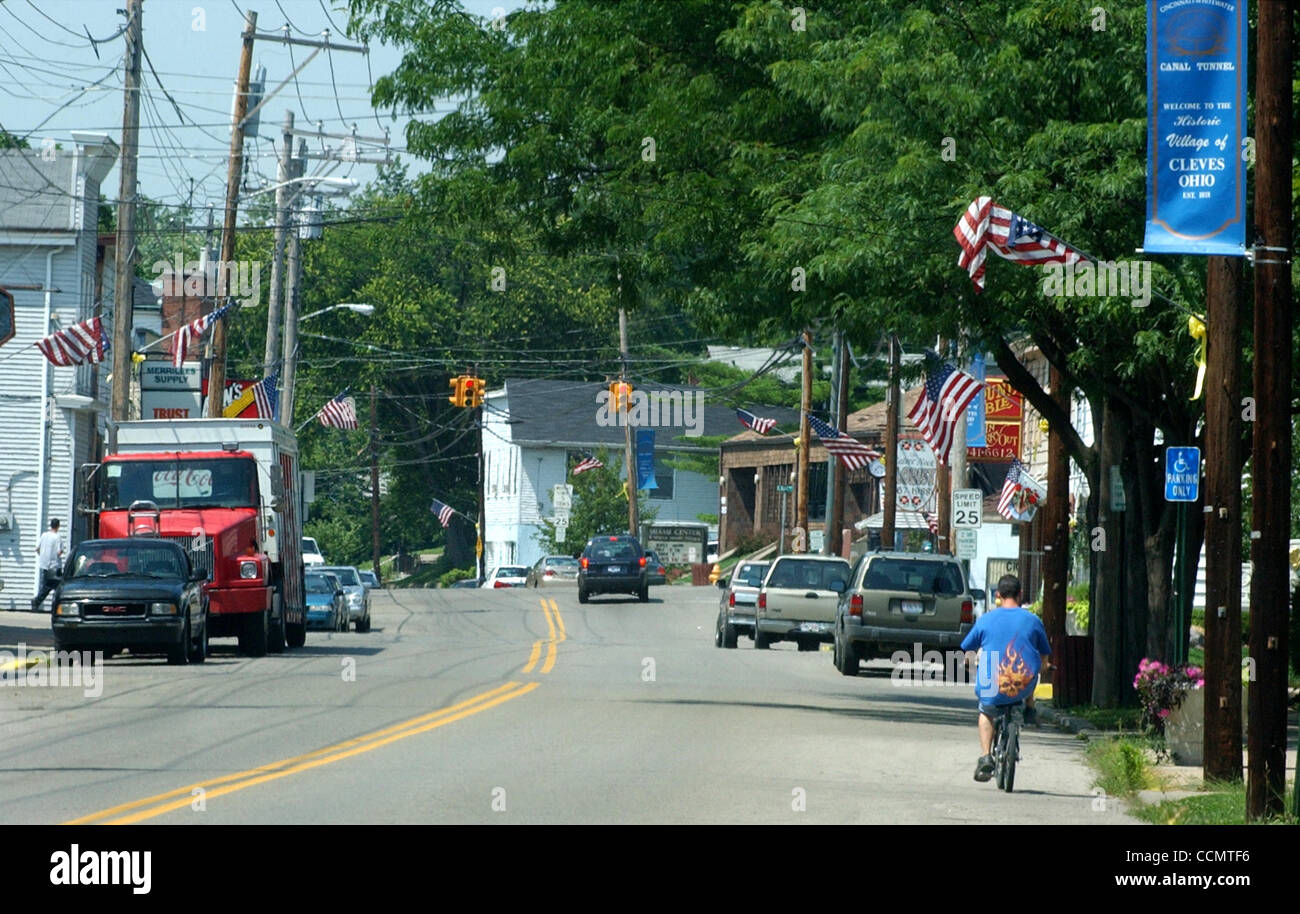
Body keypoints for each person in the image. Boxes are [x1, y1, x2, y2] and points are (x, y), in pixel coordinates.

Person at [960, 573, 1051, 783]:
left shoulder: (986, 619)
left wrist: (967, 662)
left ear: (998, 595)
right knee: (1032, 669)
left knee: (986, 710)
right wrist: (1044, 666)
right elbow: (1044, 652)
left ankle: (985, 756)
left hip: (993, 684)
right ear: (1020, 594)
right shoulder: (1033, 620)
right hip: (1023, 683)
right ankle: (1029, 708)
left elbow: (968, 649)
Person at [31, 518, 65, 612]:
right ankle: (57, 607)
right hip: (54, 565)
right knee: (58, 587)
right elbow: (59, 552)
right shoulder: (57, 537)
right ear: (58, 526)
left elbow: (37, 549)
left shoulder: (44, 535)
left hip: (44, 564)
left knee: (47, 586)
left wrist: (43, 556)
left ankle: (37, 602)